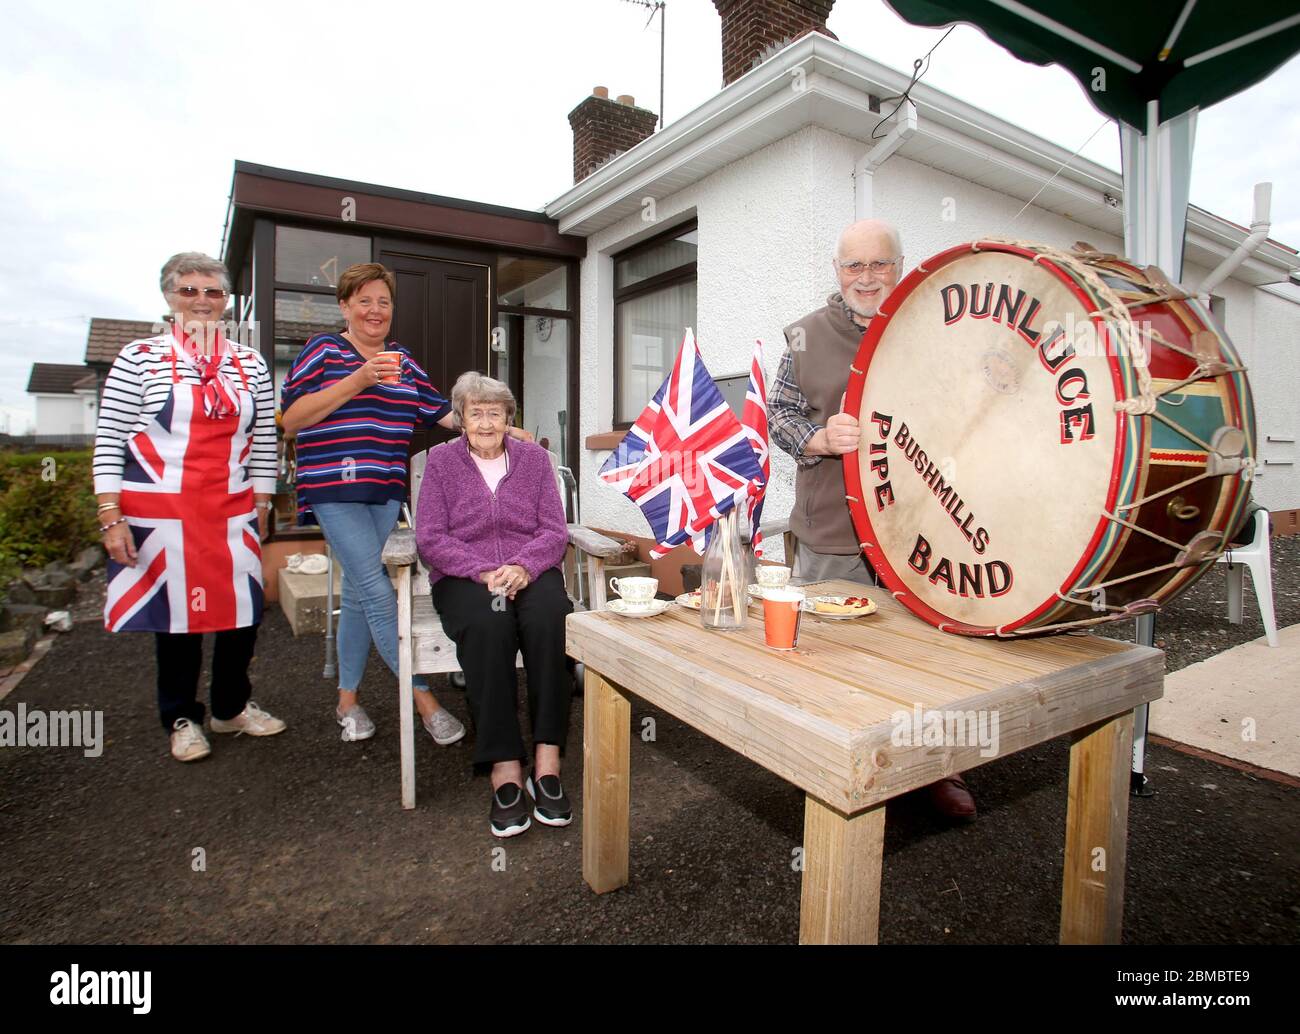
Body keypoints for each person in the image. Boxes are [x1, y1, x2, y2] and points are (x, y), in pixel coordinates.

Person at [768, 219, 976, 821]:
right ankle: (835, 771)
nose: (866, 278)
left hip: (924, 527)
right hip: (832, 526)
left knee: (925, 654)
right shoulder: (805, 336)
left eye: (879, 265)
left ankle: (937, 770)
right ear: (837, 271)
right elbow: (778, 415)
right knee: (835, 656)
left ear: (899, 265)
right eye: (854, 266)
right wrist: (818, 437)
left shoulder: (929, 326)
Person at [281, 263, 531, 746]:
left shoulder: (402, 360)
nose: (375, 311)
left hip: (384, 491)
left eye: (384, 302)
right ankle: (424, 701)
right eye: (364, 301)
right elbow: (291, 420)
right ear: (344, 307)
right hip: (333, 490)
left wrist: (498, 426)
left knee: (357, 593)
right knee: (378, 592)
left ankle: (347, 701)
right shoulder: (324, 351)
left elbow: (442, 415)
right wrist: (359, 380)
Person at [94, 252, 286, 762]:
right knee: (174, 616)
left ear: (226, 301)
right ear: (169, 297)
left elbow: (265, 439)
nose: (202, 301)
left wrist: (265, 498)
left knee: (242, 611)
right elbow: (111, 437)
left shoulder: (250, 363)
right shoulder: (138, 357)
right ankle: (181, 717)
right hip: (160, 510)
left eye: (213, 292)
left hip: (231, 506)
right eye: (190, 291)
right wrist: (110, 513)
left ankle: (230, 707)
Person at [416, 372, 574, 838]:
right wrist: (482, 571)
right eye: (475, 412)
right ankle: (505, 767)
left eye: (495, 412)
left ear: (509, 417)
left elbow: (553, 530)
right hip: (468, 576)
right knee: (489, 626)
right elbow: (430, 538)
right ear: (461, 418)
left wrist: (524, 566)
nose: (486, 422)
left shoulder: (533, 460)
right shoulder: (442, 463)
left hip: (529, 570)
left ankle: (548, 761)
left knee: (552, 620)